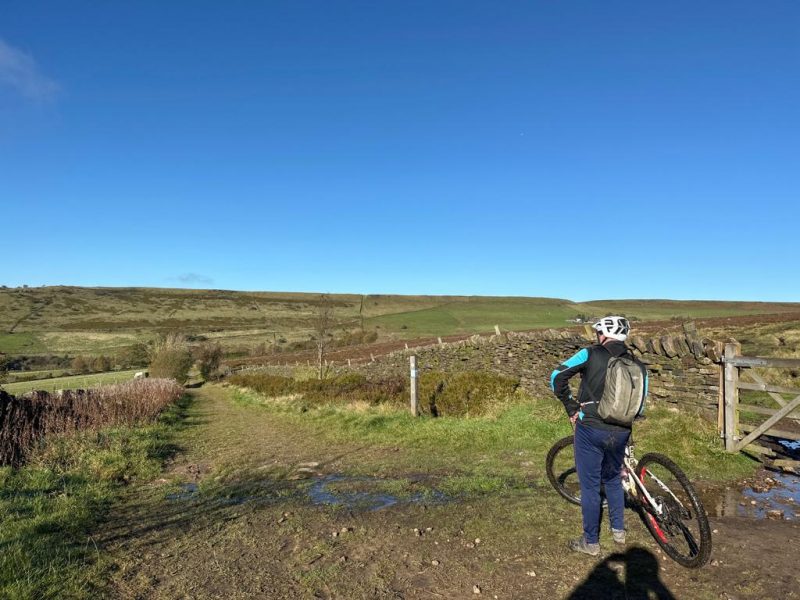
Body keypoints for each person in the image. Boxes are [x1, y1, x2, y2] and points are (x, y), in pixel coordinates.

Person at [550, 316, 648, 556]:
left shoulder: (590, 353)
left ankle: (590, 542)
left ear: (603, 334)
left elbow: (556, 377)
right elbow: (640, 405)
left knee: (591, 485)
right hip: (622, 430)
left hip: (591, 427)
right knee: (613, 478)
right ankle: (618, 532)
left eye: (598, 333)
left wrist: (571, 407)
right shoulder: (638, 364)